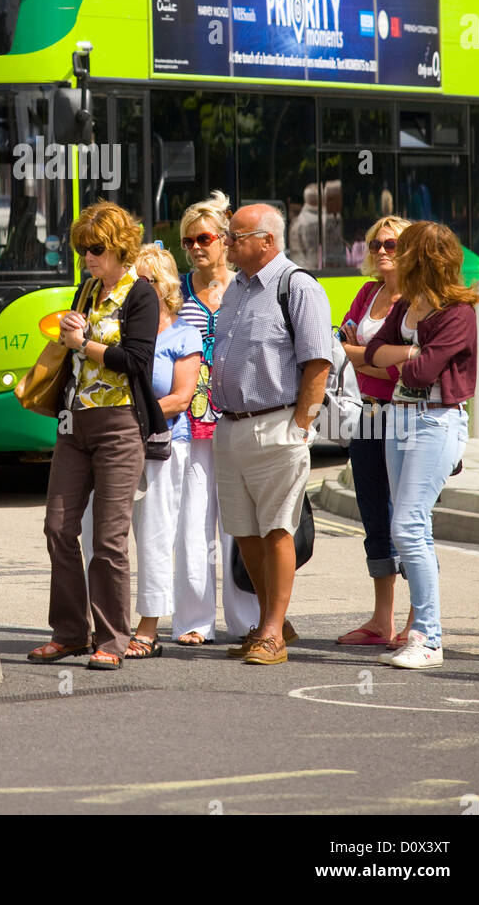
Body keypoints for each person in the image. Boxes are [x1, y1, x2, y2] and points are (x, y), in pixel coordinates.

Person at [28, 201, 166, 670]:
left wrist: (83, 343)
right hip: (74, 423)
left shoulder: (141, 294)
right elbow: (74, 355)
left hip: (120, 426)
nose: (86, 257)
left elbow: (136, 362)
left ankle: (112, 638)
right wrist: (70, 330)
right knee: (58, 528)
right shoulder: (86, 290)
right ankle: (69, 632)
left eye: (95, 249)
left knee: (109, 541)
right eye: (81, 249)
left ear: (120, 247)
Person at [211, 203, 332, 666]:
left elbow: (318, 360)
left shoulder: (296, 285)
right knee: (245, 534)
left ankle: (272, 635)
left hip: (277, 424)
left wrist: (300, 426)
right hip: (232, 426)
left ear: (267, 241)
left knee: (278, 530)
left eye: (235, 236)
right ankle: (270, 621)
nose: (227, 242)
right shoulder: (238, 287)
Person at [364, 221, 478, 670]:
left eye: (402, 249)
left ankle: (428, 638)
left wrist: (405, 355)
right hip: (399, 419)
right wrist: (413, 353)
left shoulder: (457, 312)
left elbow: (418, 374)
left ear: (422, 258)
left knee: (408, 526)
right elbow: (374, 352)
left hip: (436, 421)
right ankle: (422, 633)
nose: (390, 255)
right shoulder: (408, 305)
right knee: (411, 527)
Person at [173, 195, 261, 644]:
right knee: (191, 520)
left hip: (236, 414)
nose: (195, 248)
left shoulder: (248, 287)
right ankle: (193, 621)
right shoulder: (178, 288)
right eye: (188, 241)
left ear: (225, 240)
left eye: (203, 238)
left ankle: (248, 620)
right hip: (187, 419)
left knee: (239, 523)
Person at [336, 215, 415, 648]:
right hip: (366, 415)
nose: (382, 251)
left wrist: (362, 355)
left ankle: (418, 618)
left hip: (406, 415)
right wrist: (373, 357)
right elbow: (345, 350)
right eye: (375, 245)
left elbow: (408, 368)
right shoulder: (367, 293)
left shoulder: (420, 298)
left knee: (410, 519)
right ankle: (381, 620)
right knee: (374, 516)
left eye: (392, 244)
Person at [124, 244, 202, 657]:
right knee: (101, 534)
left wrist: (130, 417)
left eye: (143, 281)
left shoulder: (183, 333)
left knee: (154, 536)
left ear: (164, 284)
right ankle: (102, 621)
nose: (134, 288)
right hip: (115, 444)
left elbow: (181, 397)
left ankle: (149, 628)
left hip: (162, 445)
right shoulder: (121, 325)